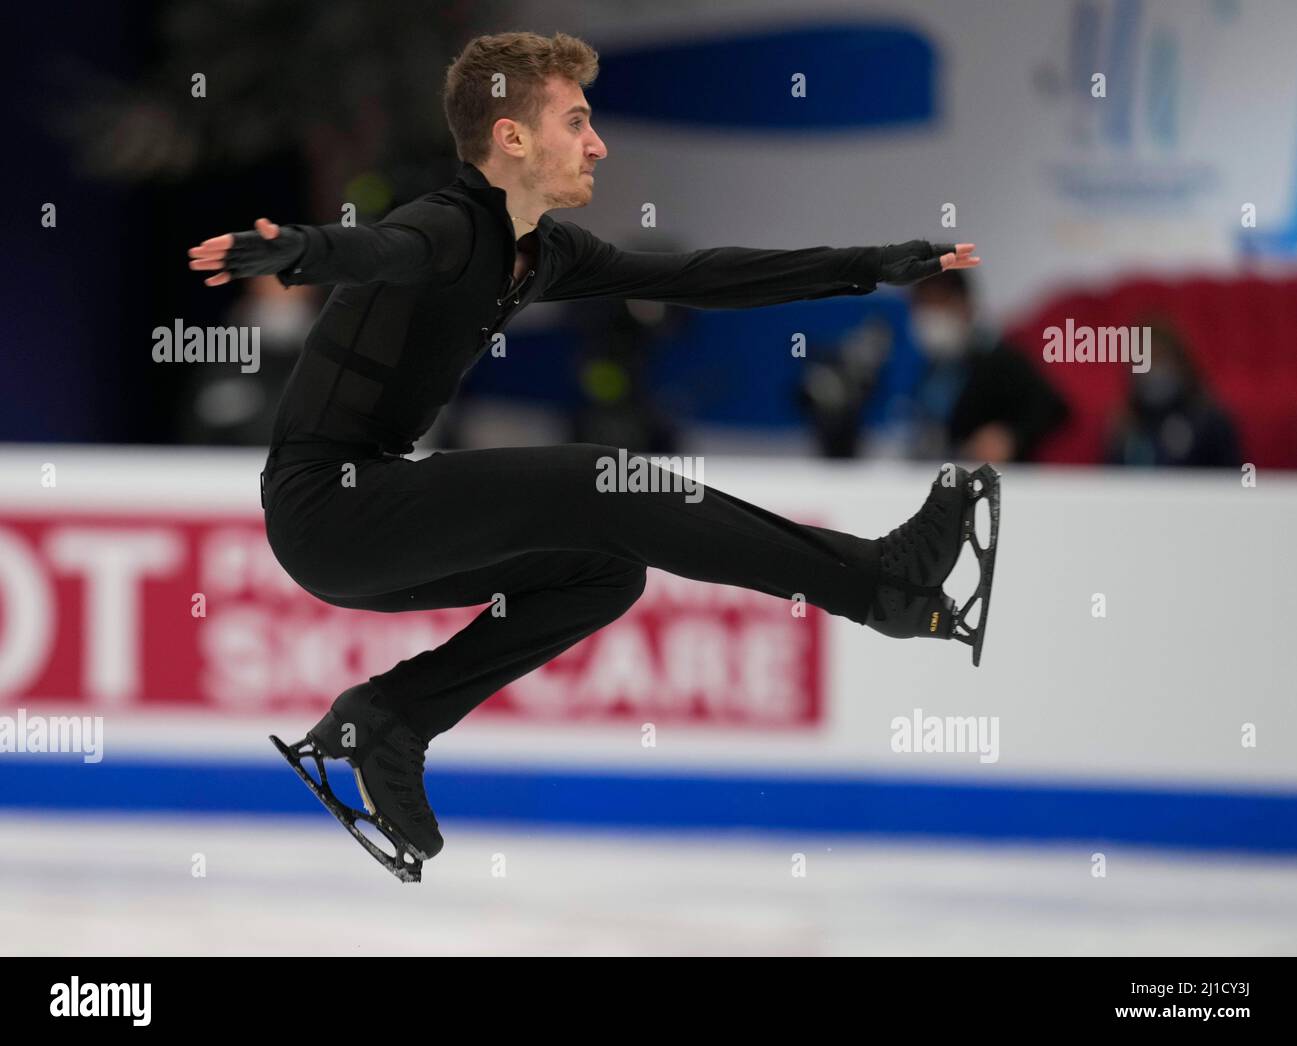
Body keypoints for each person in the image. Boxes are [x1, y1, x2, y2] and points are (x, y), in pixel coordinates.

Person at [186, 31, 999, 881]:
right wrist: (301, 252)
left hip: (371, 519)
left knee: (602, 571)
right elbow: (383, 250)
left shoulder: (546, 252)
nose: (598, 142)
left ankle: (390, 718)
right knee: (597, 482)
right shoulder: (449, 226)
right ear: (512, 138)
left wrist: (868, 264)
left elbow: (699, 276)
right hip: (330, 511)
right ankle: (882, 585)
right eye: (576, 121)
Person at [908, 269, 1069, 462]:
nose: (932, 317)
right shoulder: (907, 360)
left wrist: (1009, 435)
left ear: (965, 304)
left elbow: (1050, 407)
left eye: (940, 304)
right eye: (925, 306)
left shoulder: (999, 359)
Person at [1104, 321, 1241, 468]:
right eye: (1141, 360)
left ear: (1178, 362)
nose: (1150, 368)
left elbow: (1231, 480)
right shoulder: (1124, 424)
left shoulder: (1209, 421)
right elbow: (1110, 482)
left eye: (1157, 357)